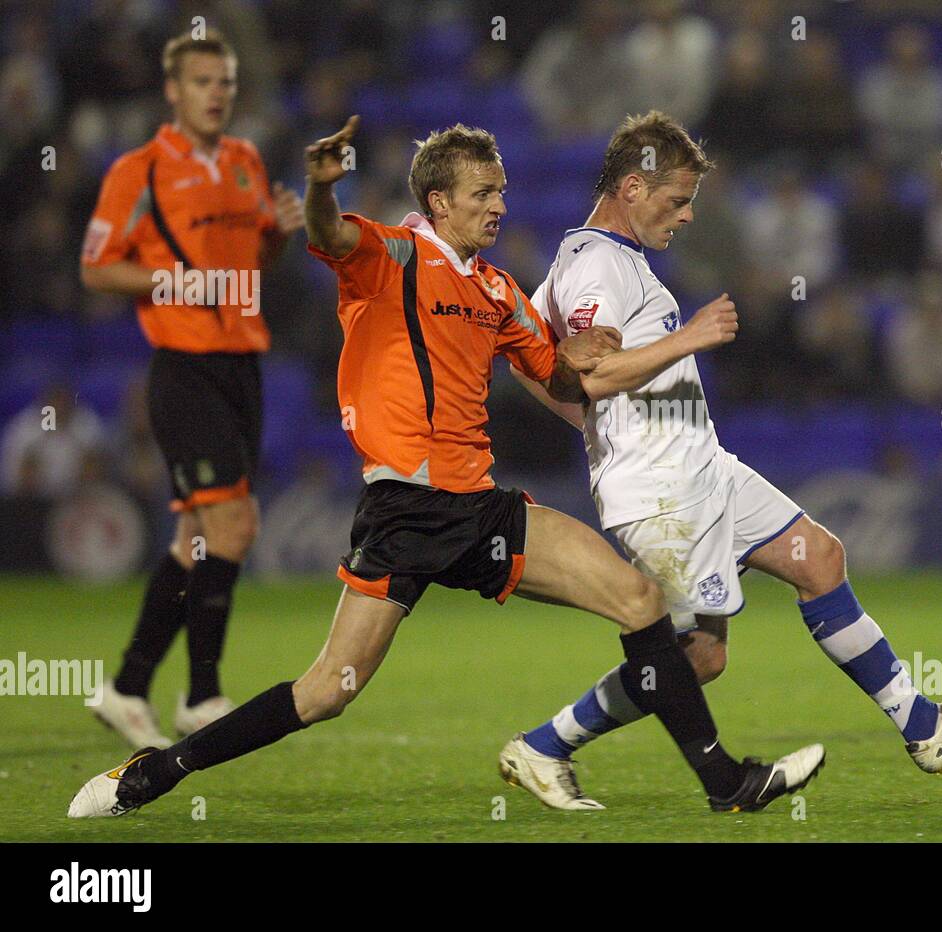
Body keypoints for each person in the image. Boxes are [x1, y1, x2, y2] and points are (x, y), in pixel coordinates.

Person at [68, 114, 824, 819]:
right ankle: (156, 773)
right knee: (328, 689)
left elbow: (561, 378)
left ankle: (724, 782)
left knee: (638, 600)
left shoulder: (495, 289)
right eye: (484, 193)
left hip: (482, 508)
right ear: (438, 201)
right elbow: (329, 235)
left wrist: (586, 358)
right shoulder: (393, 256)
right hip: (404, 512)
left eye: (502, 190)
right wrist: (324, 186)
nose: (500, 205)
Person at [502, 111, 942, 811]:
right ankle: (544, 745)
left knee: (819, 559)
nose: (683, 218)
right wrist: (689, 339)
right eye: (676, 201)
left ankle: (925, 728)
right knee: (699, 659)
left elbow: (532, 357)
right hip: (661, 491)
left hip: (702, 465)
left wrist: (587, 419)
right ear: (630, 188)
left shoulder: (587, 259)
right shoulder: (597, 267)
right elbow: (595, 372)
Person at [79, 30, 305, 749]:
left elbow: (250, 263)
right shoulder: (140, 171)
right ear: (173, 89)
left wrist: (279, 236)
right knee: (234, 528)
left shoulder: (243, 162)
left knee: (195, 539)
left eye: (226, 83)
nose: (217, 94)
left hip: (242, 363)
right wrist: (170, 279)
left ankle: (127, 686)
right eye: (204, 81)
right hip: (183, 368)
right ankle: (202, 696)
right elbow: (95, 266)